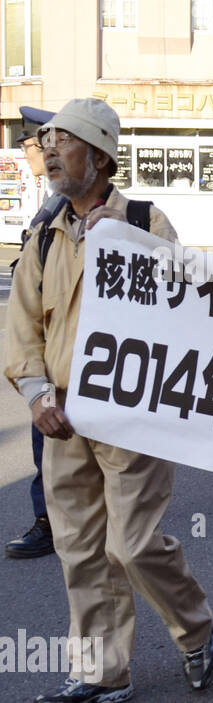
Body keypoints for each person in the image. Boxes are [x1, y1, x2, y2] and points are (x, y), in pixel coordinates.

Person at [4, 98, 213, 703]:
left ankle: (195, 630)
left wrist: (125, 246)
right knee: (78, 547)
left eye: (63, 142)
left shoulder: (146, 222)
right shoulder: (45, 234)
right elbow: (22, 325)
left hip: (132, 417)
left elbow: (188, 305)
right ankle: (103, 673)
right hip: (61, 417)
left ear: (98, 156)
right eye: (46, 142)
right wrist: (36, 392)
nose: (48, 152)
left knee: (132, 545)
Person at [5, 105, 58, 560]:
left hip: (65, 347)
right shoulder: (51, 199)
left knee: (52, 439)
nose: (27, 153)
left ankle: (51, 522)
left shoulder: (65, 202)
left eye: (28, 145)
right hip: (47, 343)